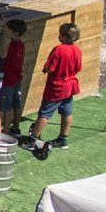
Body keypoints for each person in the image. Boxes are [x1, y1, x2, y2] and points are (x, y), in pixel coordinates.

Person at [25, 21, 83, 158]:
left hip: (57, 87)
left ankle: (32, 141)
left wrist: (45, 69)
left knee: (45, 114)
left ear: (64, 36)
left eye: (60, 33)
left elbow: (50, 68)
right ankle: (63, 139)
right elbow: (78, 68)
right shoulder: (78, 50)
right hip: (70, 86)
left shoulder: (59, 49)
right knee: (66, 113)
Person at [0, 18, 29, 137]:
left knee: (7, 107)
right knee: (16, 104)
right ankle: (15, 127)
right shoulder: (20, 44)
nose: (5, 32)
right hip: (17, 78)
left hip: (8, 80)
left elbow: (8, 63)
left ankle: (5, 132)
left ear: (15, 33)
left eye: (8, 30)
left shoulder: (12, 47)